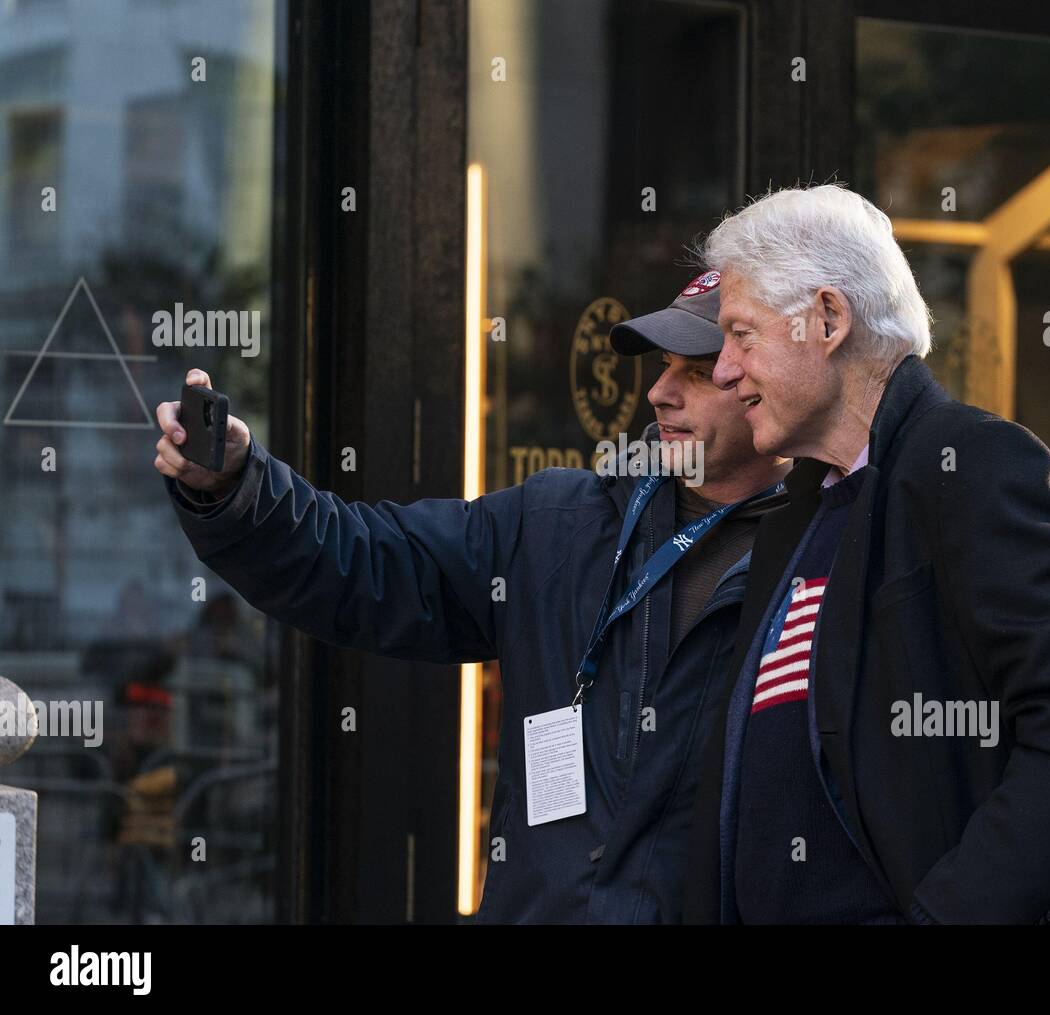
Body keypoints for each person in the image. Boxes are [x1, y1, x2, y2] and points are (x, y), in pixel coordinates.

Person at [153, 272, 791, 923]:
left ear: (764, 376)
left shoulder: (823, 558)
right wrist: (238, 489)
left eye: (697, 370)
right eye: (663, 364)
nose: (659, 392)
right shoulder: (559, 522)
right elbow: (365, 561)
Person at [680, 184, 1050, 924]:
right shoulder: (797, 515)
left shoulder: (970, 461)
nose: (727, 369)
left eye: (742, 334)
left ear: (828, 319)